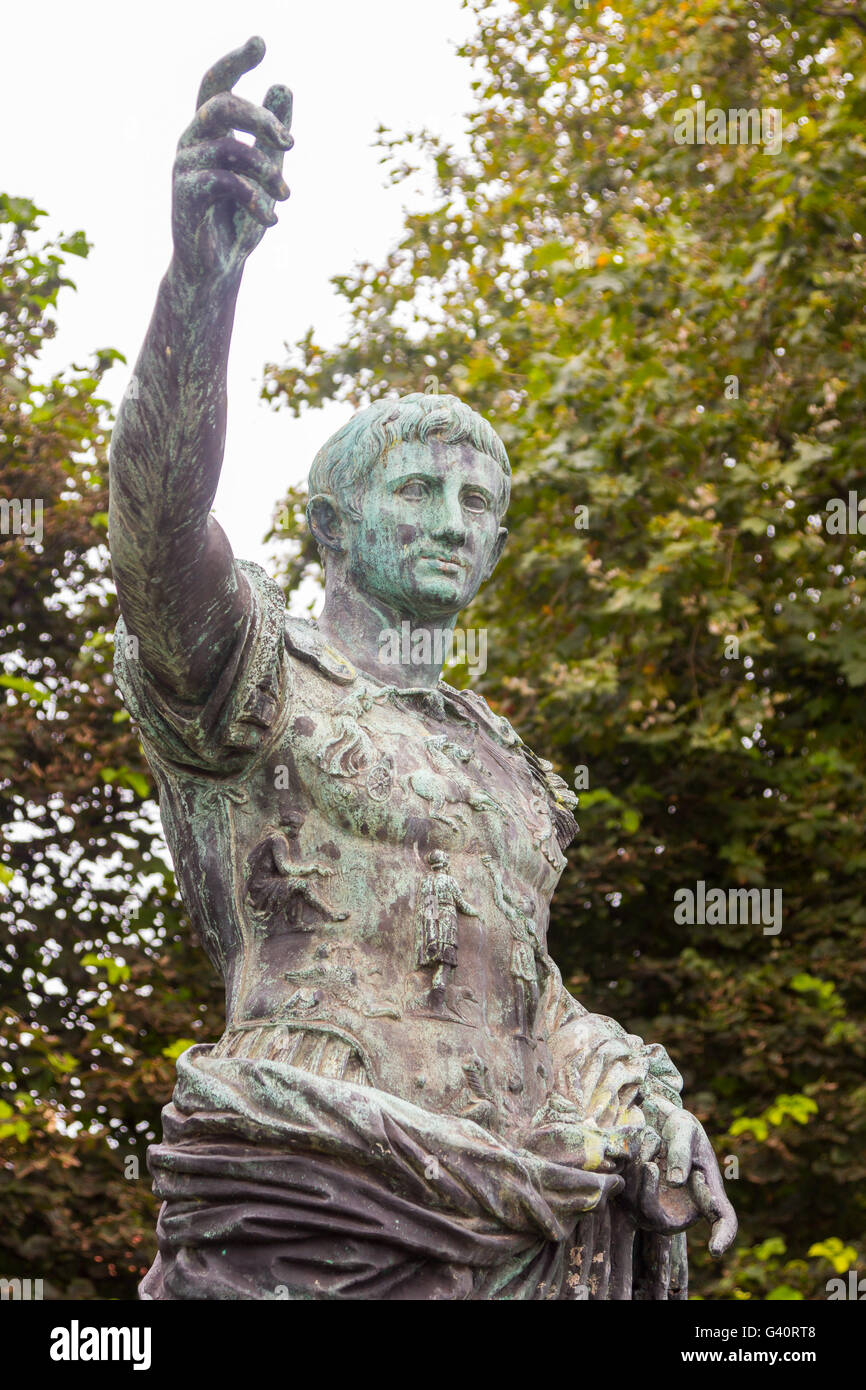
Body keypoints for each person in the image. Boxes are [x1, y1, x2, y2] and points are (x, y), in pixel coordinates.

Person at [109, 37, 736, 1300]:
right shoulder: (254, 681)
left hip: (519, 1215)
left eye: (476, 499)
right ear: (332, 525)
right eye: (415, 488)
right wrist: (201, 283)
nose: (451, 518)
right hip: (306, 1196)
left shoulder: (507, 767)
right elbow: (159, 528)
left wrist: (636, 1098)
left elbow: (531, 995)